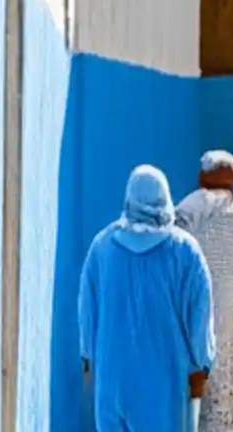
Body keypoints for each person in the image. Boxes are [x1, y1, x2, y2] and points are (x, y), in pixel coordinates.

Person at [80, 164, 216, 431]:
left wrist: (89, 355)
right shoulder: (185, 252)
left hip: (112, 379)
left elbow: (87, 313)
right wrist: (202, 362)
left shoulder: (102, 248)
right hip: (166, 383)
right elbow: (199, 319)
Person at [175, 151, 233, 432]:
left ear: (201, 177)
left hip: (190, 326)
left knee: (193, 401)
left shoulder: (183, 215)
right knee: (229, 401)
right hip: (232, 330)